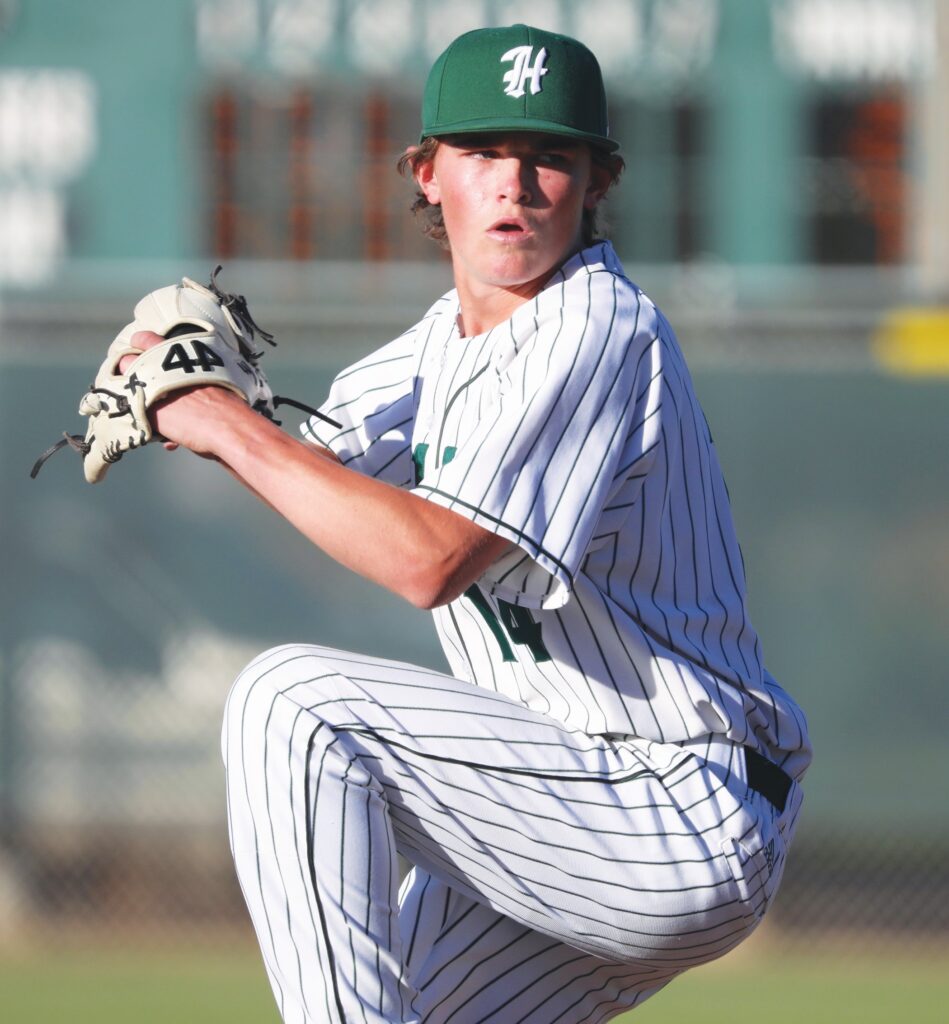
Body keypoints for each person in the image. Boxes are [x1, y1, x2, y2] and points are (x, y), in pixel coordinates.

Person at [126, 24, 810, 1024]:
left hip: (670, 805)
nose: (516, 182)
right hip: (555, 807)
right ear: (427, 172)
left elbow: (426, 558)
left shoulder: (593, 326)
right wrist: (184, 387)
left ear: (597, 180)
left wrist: (220, 420)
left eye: (551, 156)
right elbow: (311, 470)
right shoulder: (436, 349)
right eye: (485, 150)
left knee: (294, 705)